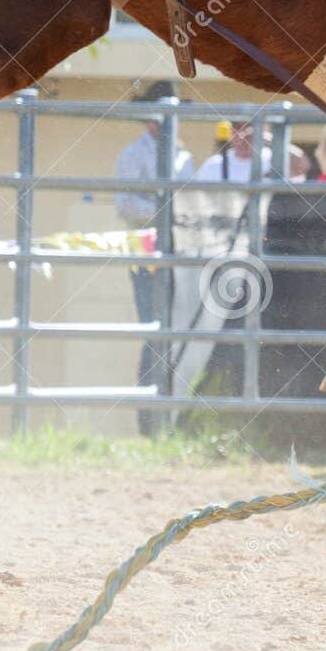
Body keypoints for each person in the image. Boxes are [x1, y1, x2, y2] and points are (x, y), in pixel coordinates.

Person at [113, 80, 194, 431]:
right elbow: (126, 205)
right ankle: (150, 418)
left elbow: (191, 203)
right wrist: (165, 210)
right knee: (154, 328)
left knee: (173, 329)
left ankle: (169, 414)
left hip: (179, 252)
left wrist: (172, 211)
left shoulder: (184, 157)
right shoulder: (132, 155)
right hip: (146, 253)